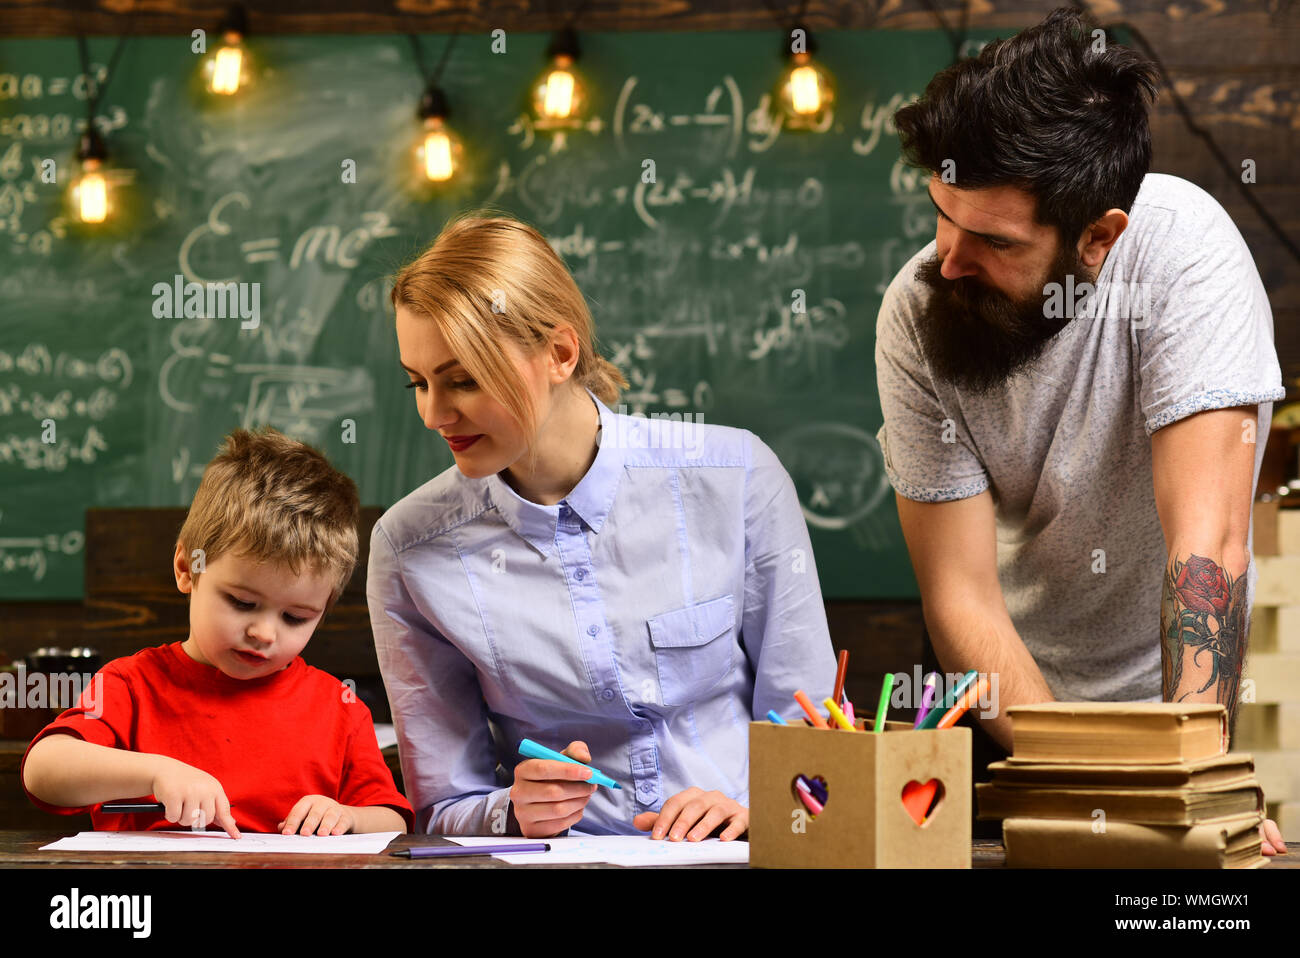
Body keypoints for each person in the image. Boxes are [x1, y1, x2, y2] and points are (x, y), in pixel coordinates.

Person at [875, 7, 1287, 854]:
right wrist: (1084, 787)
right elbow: (961, 595)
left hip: (1178, 712)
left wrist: (1186, 794)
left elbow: (1207, 549)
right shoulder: (918, 310)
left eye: (990, 239)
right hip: (1015, 716)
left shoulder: (1186, 261)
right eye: (939, 213)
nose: (945, 259)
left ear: (1098, 238)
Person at [368, 213, 836, 839]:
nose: (433, 413)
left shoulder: (736, 475)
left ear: (560, 353)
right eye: (417, 383)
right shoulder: (409, 548)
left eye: (462, 380)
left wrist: (764, 808)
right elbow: (442, 805)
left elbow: (815, 742)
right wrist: (511, 810)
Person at [22, 428, 413, 837]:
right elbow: (43, 768)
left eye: (295, 618)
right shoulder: (130, 686)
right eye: (243, 603)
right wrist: (155, 772)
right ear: (186, 569)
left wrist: (348, 817)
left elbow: (392, 818)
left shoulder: (341, 707)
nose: (264, 633)